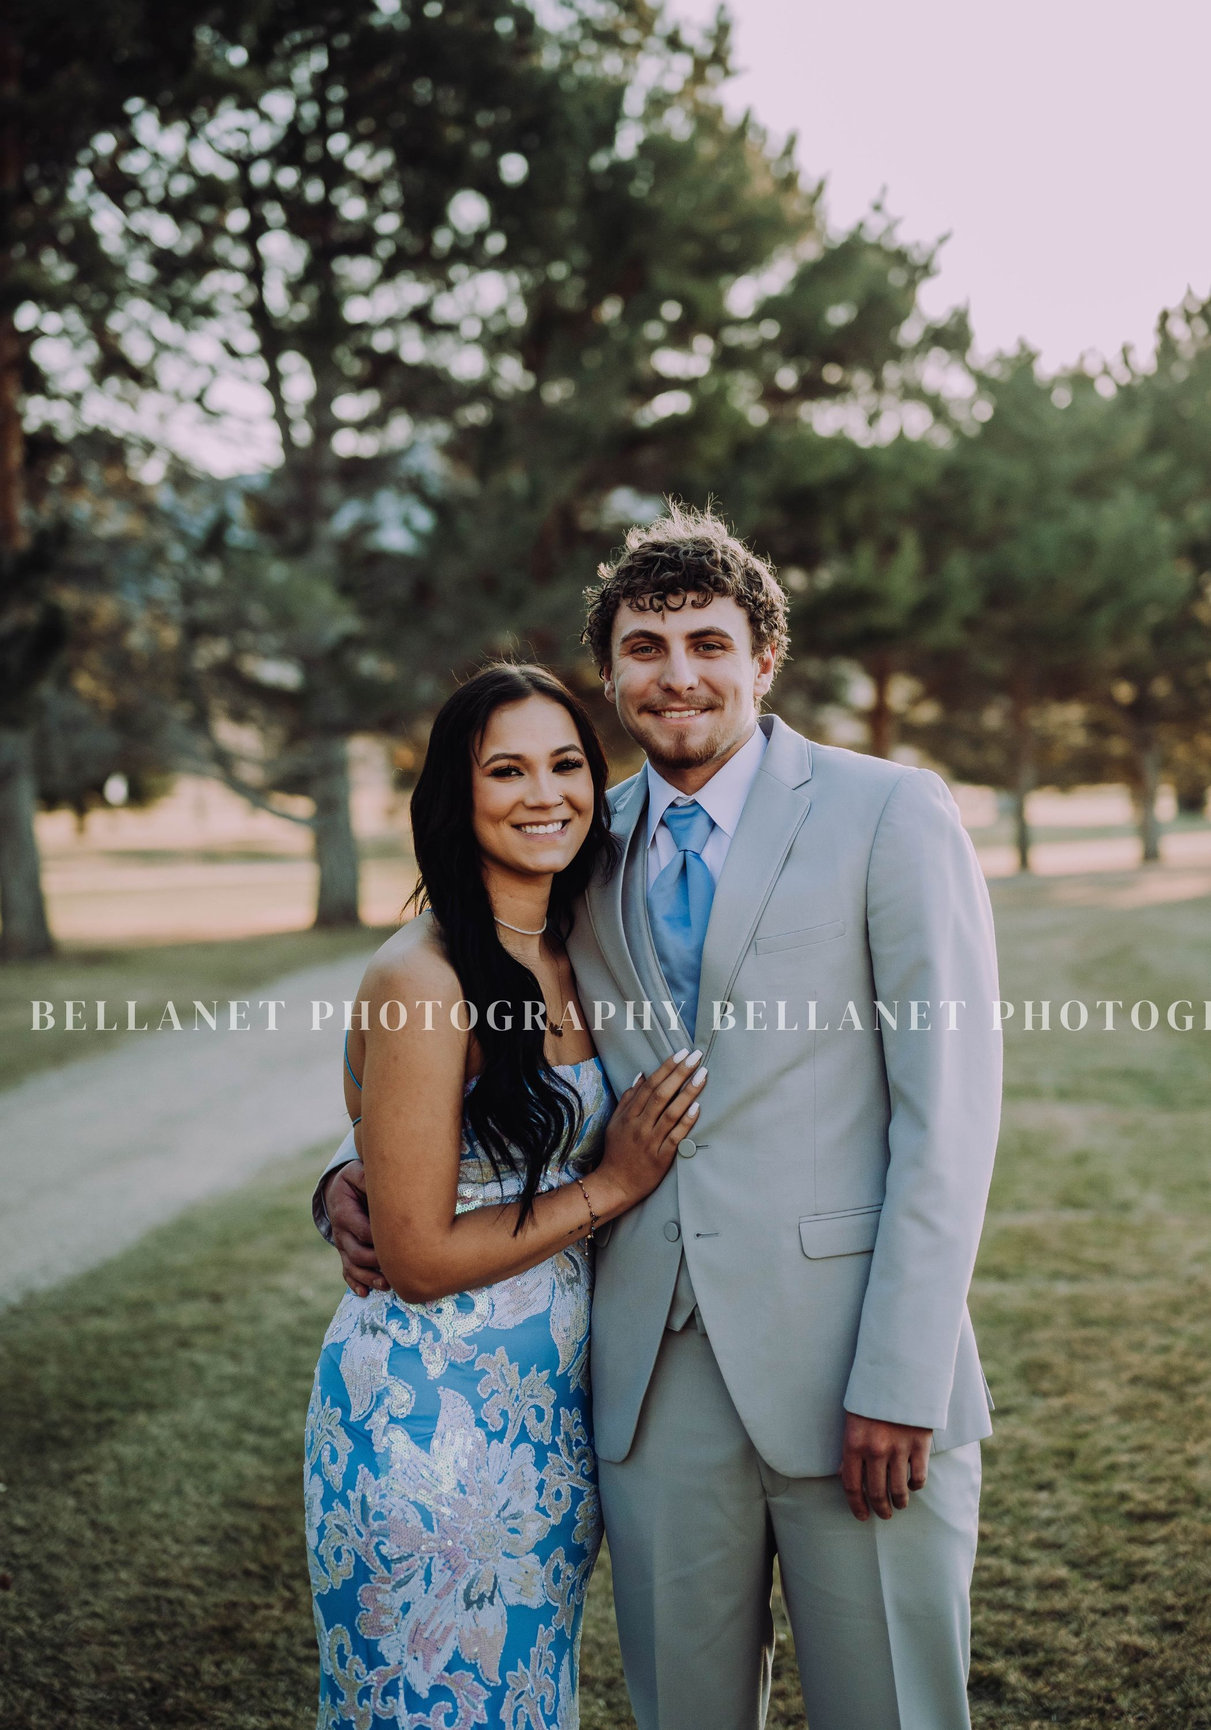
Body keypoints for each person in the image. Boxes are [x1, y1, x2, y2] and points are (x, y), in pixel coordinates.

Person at [320, 504, 1003, 1730]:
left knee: (889, 1707)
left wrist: (901, 1372)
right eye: (644, 645)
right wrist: (343, 1172)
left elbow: (947, 1112)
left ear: (762, 658)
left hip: (848, 1360)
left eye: (704, 639)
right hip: (647, 1378)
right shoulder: (579, 831)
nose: (675, 671)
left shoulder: (888, 812)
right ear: (610, 671)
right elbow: (464, 1008)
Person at [304, 662, 706, 1730]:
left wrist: (341, 1178)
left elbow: (392, 1147)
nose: (546, 793)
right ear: (454, 794)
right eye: (506, 769)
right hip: (426, 1422)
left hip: (548, 1414)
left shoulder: (583, 947)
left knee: (526, 1700)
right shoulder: (421, 978)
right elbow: (421, 1257)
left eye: (567, 763)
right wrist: (613, 1182)